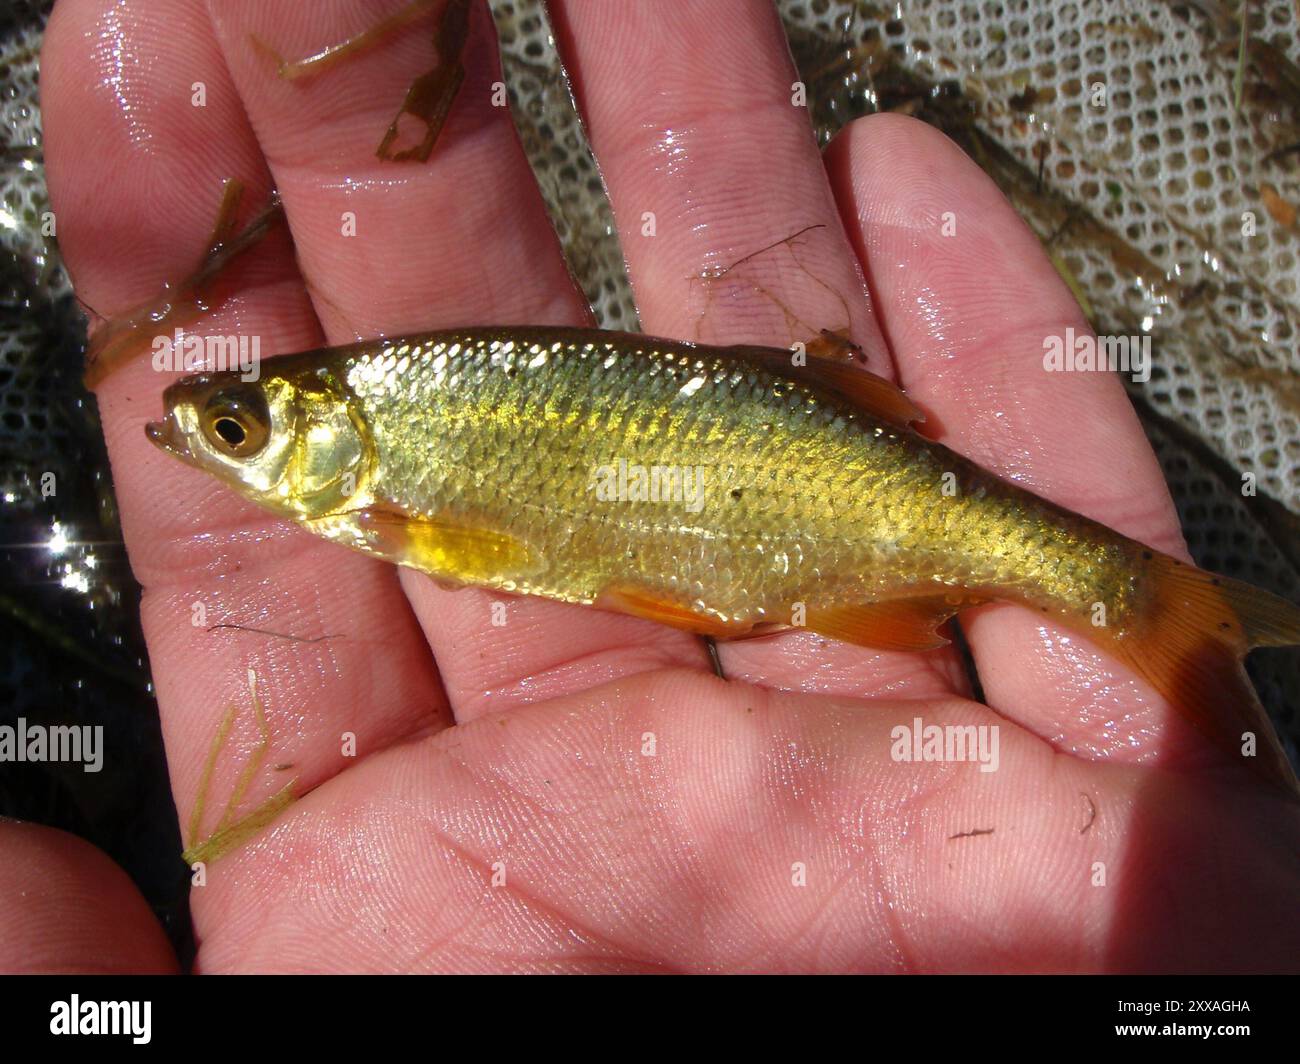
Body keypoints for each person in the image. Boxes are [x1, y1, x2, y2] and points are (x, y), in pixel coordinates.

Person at [11, 0, 1297, 973]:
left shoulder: (389, 467)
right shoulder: (382, 452)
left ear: (332, 434)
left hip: (800, 484)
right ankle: (1156, 610)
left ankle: (1145, 603)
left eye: (238, 426)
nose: (214, 438)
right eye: (236, 427)